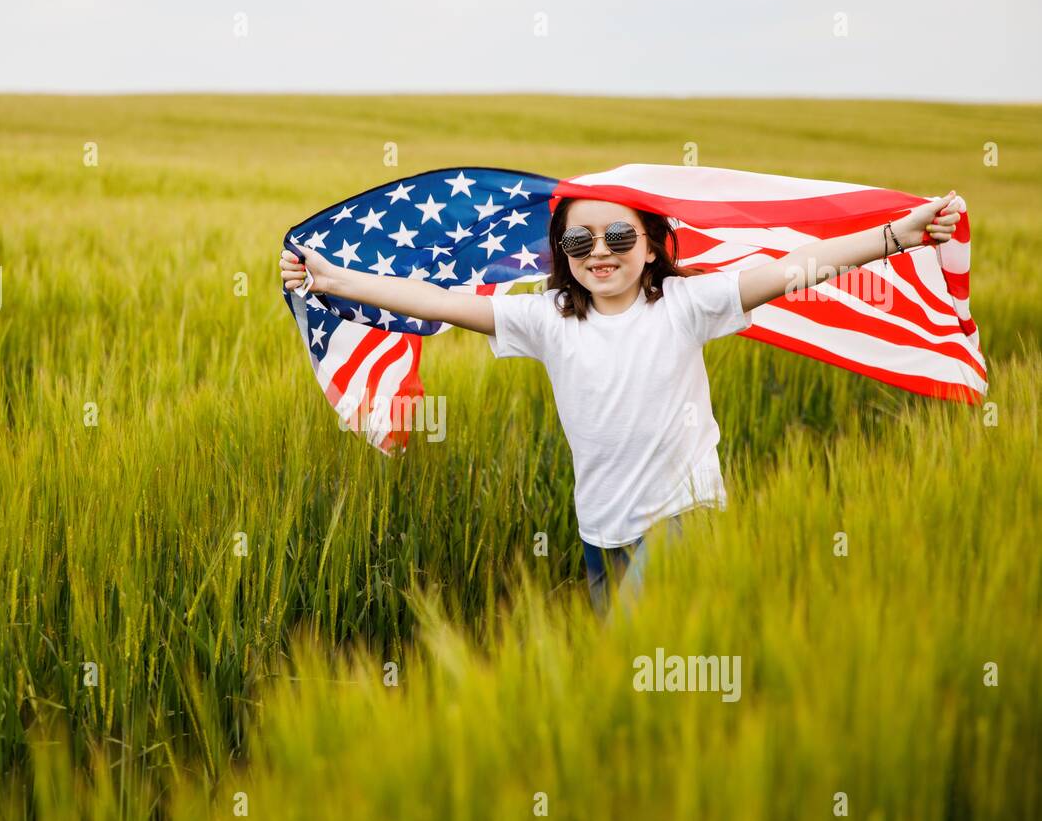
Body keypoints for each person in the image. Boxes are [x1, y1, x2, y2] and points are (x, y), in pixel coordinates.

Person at [280, 189, 962, 610]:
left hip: (682, 518)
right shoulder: (546, 316)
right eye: (580, 240)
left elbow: (790, 272)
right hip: (598, 530)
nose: (599, 252)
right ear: (562, 251)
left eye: (619, 237)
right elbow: (436, 302)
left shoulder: (688, 304)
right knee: (624, 671)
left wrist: (897, 235)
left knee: (644, 657)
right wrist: (334, 278)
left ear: (652, 246)